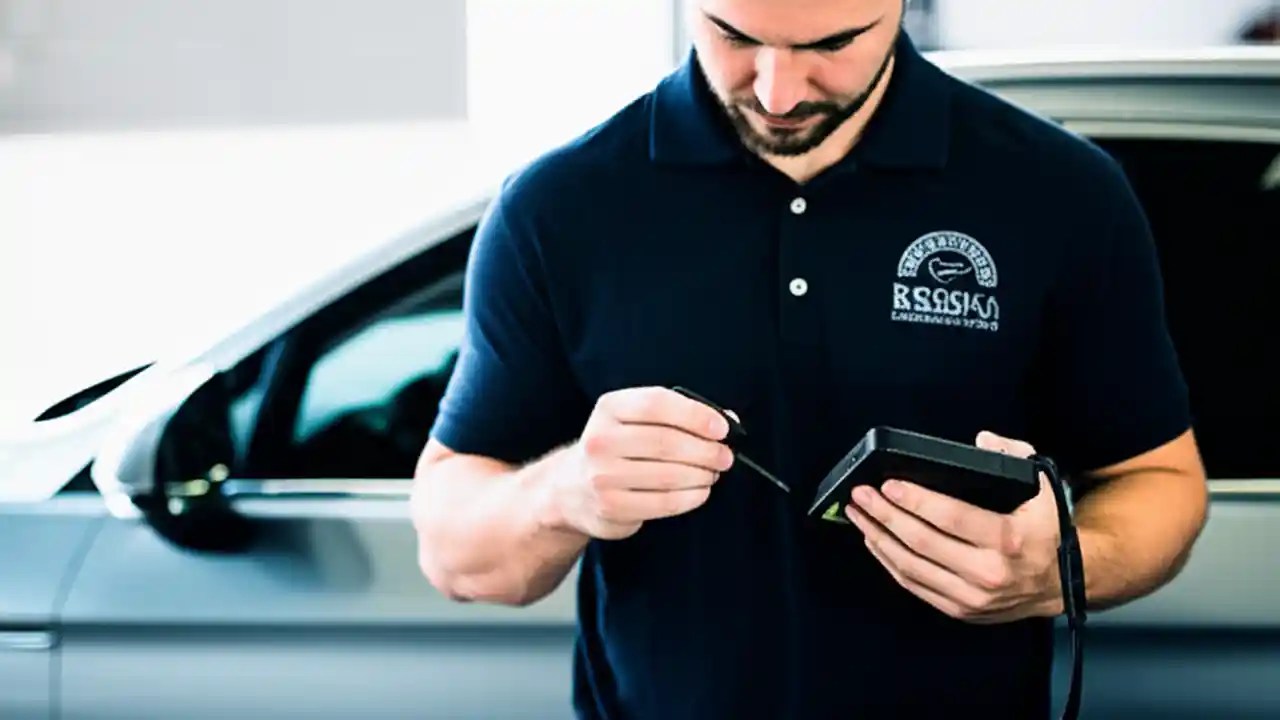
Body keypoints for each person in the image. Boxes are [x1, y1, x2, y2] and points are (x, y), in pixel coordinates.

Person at [410, 1, 1210, 717]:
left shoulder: (1061, 192)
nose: (776, 92)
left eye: (831, 44)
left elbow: (1161, 482)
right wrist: (563, 492)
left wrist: (1061, 567)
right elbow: (454, 554)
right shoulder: (558, 208)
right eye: (733, 35)